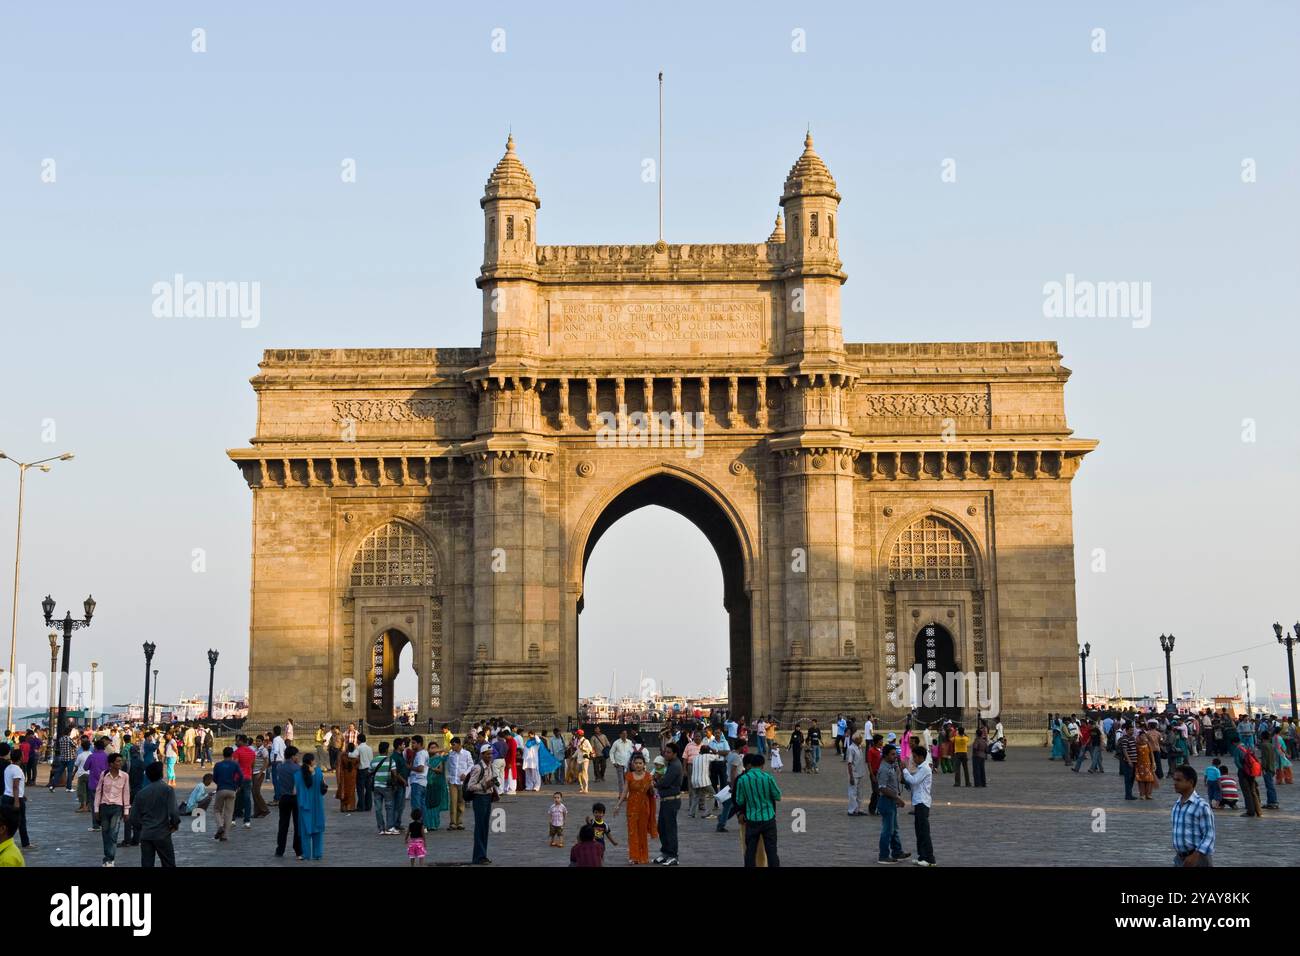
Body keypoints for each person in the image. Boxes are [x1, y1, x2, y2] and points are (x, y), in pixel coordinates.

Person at [734, 751, 782, 867]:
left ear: (751, 764)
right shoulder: (767, 777)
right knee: (771, 851)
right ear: (762, 765)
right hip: (768, 818)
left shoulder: (742, 779)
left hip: (752, 819)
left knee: (750, 851)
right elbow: (778, 796)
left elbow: (739, 800)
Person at [134, 760, 180, 868]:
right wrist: (175, 824)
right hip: (162, 833)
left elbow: (134, 817)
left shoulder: (141, 793)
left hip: (146, 834)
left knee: (147, 863)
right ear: (161, 774)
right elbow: (173, 812)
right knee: (168, 863)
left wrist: (142, 828)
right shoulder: (167, 790)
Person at [614, 752, 658, 863]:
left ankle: (643, 856)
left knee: (642, 832)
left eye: (640, 763)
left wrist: (652, 786)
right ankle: (634, 857)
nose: (638, 765)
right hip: (632, 807)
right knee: (632, 832)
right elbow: (625, 792)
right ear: (633, 764)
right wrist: (618, 804)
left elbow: (652, 793)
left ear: (644, 764)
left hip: (644, 808)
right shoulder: (629, 776)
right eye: (636, 763)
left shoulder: (648, 776)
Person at [1170, 764, 1214, 867]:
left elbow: (1209, 835)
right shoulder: (1176, 805)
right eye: (1174, 780)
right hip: (1180, 858)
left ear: (1190, 782)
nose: (1175, 783)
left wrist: (1196, 855)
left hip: (1198, 858)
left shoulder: (1201, 806)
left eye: (1179, 780)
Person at [875, 743, 910, 863]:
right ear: (885, 755)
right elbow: (882, 788)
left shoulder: (892, 766)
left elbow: (900, 779)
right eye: (892, 754)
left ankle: (897, 852)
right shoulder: (884, 769)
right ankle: (883, 855)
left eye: (896, 754)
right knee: (887, 830)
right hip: (886, 801)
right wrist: (897, 798)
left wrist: (900, 764)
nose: (895, 756)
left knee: (894, 829)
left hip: (891, 801)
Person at [465, 743, 498, 864]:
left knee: (484, 827)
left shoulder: (491, 766)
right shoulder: (478, 768)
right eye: (488, 754)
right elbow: (470, 786)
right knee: (480, 828)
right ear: (482, 755)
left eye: (491, 754)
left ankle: (482, 855)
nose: (490, 756)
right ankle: (478, 856)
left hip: (487, 797)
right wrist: (484, 785)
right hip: (479, 798)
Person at [95, 752, 130, 867]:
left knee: (113, 833)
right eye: (118, 761)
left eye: (121, 761)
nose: (120, 763)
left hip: (117, 808)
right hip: (104, 807)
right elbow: (98, 792)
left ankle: (110, 858)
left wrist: (126, 811)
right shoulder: (104, 774)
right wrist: (96, 809)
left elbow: (126, 793)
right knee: (105, 834)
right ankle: (107, 858)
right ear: (111, 764)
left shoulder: (125, 776)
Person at [903, 744, 935, 866]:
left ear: (921, 757)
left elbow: (914, 780)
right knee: (919, 831)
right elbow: (914, 784)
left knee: (924, 831)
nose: (913, 759)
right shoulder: (920, 768)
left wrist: (904, 770)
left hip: (922, 802)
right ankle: (922, 857)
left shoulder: (925, 768)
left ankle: (930, 859)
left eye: (915, 757)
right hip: (918, 801)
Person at [653, 743, 683, 865]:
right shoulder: (670, 764)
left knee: (670, 829)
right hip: (666, 801)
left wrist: (656, 782)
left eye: (669, 752)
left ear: (675, 754)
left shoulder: (675, 765)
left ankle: (673, 855)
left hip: (672, 801)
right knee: (662, 827)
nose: (666, 754)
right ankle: (665, 852)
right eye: (665, 751)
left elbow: (665, 782)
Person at [296, 752, 327, 860]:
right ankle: (317, 854)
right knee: (318, 830)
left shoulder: (298, 774)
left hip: (304, 805)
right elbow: (323, 786)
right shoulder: (318, 772)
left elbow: (295, 790)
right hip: (317, 805)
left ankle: (306, 854)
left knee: (305, 831)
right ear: (312, 761)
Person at [274, 746, 303, 859]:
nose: (298, 757)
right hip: (296, 798)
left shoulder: (280, 767)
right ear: (293, 756)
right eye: (297, 755)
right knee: (297, 825)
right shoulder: (297, 768)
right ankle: (298, 850)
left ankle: (280, 849)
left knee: (283, 825)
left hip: (284, 797)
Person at [211, 746, 243, 842]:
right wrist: (238, 785)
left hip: (221, 789)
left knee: (217, 810)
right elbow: (241, 776)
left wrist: (219, 783)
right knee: (229, 813)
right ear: (232, 755)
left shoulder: (218, 765)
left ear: (223, 754)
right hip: (232, 789)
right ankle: (225, 835)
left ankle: (220, 825)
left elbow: (214, 778)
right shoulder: (235, 765)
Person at [2, 747, 31, 852]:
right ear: (20, 758)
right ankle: (25, 843)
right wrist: (17, 801)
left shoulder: (8, 768)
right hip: (14, 798)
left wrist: (22, 795)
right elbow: (15, 786)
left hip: (6, 796)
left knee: (5, 821)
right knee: (21, 821)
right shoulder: (17, 770)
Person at [445, 737, 472, 831]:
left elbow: (471, 765)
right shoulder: (451, 754)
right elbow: (448, 766)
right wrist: (449, 777)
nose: (452, 747)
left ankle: (459, 822)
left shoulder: (467, 753)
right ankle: (452, 822)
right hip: (452, 781)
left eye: (453, 745)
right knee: (453, 802)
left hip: (462, 781)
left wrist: (465, 773)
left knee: (461, 802)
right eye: (451, 745)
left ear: (459, 744)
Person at [846, 731, 867, 815]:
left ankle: (859, 809)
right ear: (855, 739)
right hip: (854, 774)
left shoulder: (859, 747)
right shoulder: (851, 748)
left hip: (860, 772)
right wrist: (851, 776)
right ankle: (852, 810)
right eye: (860, 738)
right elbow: (849, 763)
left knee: (860, 792)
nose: (862, 740)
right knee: (852, 792)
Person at [337, 741, 359, 813]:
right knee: (352, 790)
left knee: (344, 789)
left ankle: (344, 807)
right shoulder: (356, 757)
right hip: (353, 773)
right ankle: (351, 807)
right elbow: (357, 765)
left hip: (345, 774)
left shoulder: (343, 755)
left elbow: (340, 765)